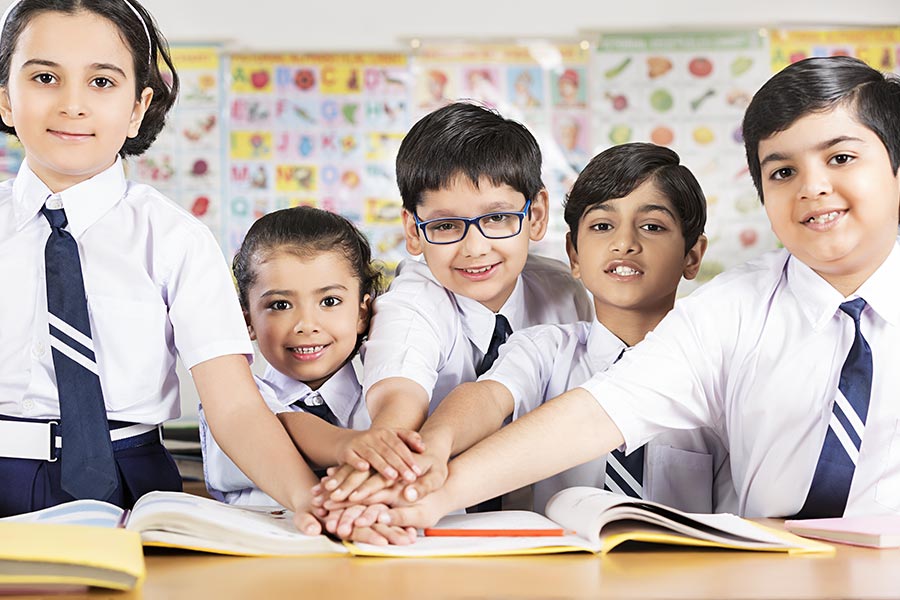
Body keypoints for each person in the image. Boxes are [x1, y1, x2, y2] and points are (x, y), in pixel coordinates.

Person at [378, 56, 900, 527]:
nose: (812, 188)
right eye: (783, 171)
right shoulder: (728, 310)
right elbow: (600, 410)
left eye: (841, 158)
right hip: (768, 567)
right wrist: (425, 494)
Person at [0, 0, 319, 533]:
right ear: (6, 99)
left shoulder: (177, 240)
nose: (72, 104)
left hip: (129, 479)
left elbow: (235, 408)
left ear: (137, 107)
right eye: (45, 77)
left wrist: (312, 500)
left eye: (102, 82)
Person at [318, 102, 593, 505]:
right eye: (445, 225)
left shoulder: (564, 293)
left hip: (544, 524)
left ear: (536, 214)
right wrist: (385, 459)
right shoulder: (412, 302)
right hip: (434, 516)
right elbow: (399, 399)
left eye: (497, 218)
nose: (475, 248)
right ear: (413, 230)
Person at [200, 206, 414, 544]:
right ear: (247, 321)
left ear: (362, 313)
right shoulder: (232, 401)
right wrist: (351, 444)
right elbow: (282, 425)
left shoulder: (390, 403)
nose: (306, 325)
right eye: (280, 305)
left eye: (329, 301)